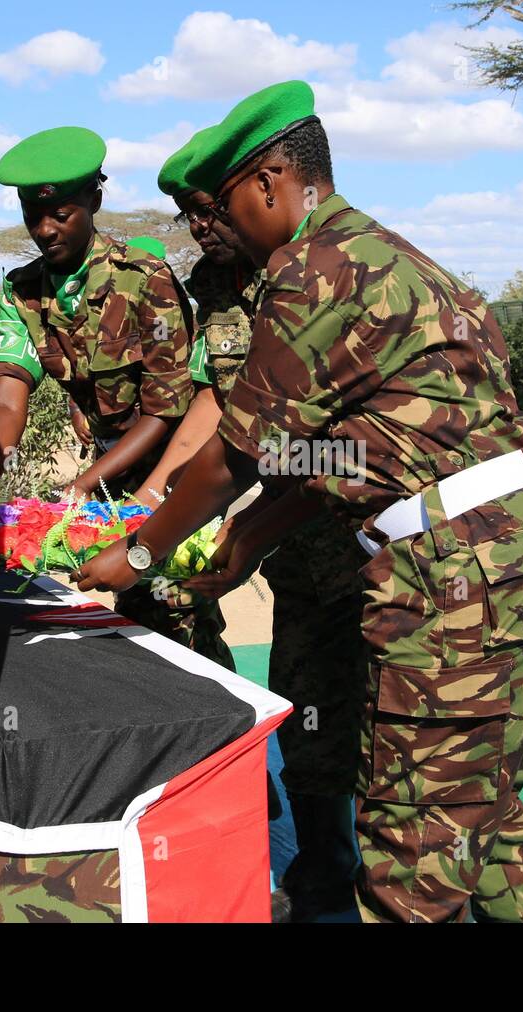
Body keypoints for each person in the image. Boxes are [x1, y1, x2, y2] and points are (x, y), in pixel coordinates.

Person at [76, 81, 523, 924]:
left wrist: (136, 551)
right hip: (507, 548)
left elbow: (233, 456)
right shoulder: (385, 254)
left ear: (271, 180)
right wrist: (251, 540)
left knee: (413, 835)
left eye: (225, 203)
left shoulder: (316, 273)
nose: (220, 225)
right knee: (480, 800)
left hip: (457, 570)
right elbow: (337, 453)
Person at [141, 133, 365, 921]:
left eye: (209, 209)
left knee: (393, 725)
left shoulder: (325, 269)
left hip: (377, 534)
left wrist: (143, 544)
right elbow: (211, 397)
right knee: (304, 703)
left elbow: (252, 451)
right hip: (294, 534)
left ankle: (387, 874)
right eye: (189, 215)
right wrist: (155, 490)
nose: (203, 227)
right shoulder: (218, 286)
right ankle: (324, 879)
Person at [0, 126, 232, 668]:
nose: (44, 230)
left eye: (61, 214)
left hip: (175, 471)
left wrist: (83, 483)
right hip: (109, 476)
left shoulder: (145, 279)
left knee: (179, 615)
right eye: (32, 216)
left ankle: (224, 738)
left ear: (94, 200)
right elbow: (7, 402)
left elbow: (166, 410)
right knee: (134, 620)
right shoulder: (22, 291)